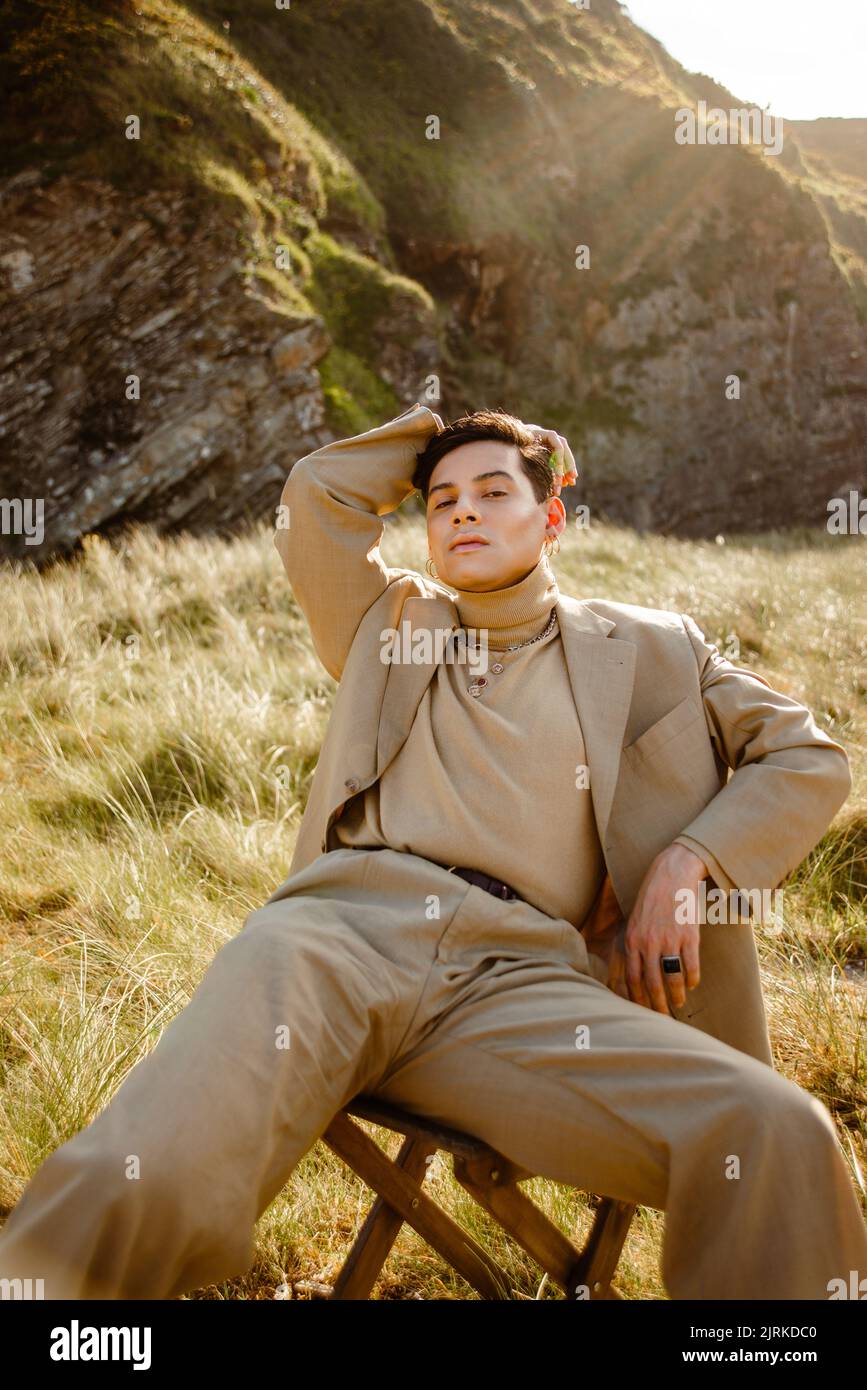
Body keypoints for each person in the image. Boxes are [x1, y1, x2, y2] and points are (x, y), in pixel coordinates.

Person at [0, 401, 864, 1301]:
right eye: (440, 500)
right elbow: (318, 493)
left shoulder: (652, 647)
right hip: (337, 942)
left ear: (553, 517)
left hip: (522, 988)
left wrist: (690, 863)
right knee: (157, 1162)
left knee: (773, 1130)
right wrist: (444, 438)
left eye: (495, 493)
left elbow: (806, 758)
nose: (461, 511)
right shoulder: (386, 622)